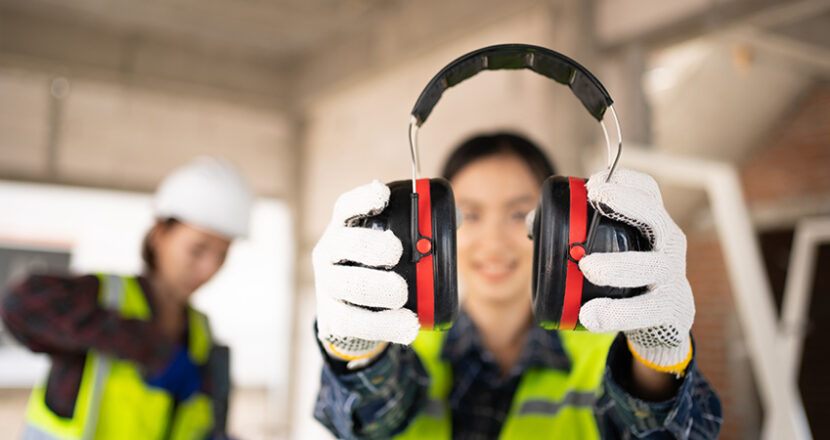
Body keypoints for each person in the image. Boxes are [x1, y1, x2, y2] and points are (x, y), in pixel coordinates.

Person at [312, 133, 722, 439]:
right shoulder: (402, 342)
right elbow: (363, 419)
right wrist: (359, 354)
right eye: (469, 215)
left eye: (517, 215)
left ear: (557, 228)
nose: (493, 242)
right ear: (437, 230)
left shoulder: (604, 347)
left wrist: (657, 359)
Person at [1, 157, 252, 440]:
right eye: (198, 249)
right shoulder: (103, 297)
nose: (209, 268)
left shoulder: (201, 334)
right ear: (159, 234)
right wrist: (149, 347)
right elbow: (20, 305)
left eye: (222, 254)